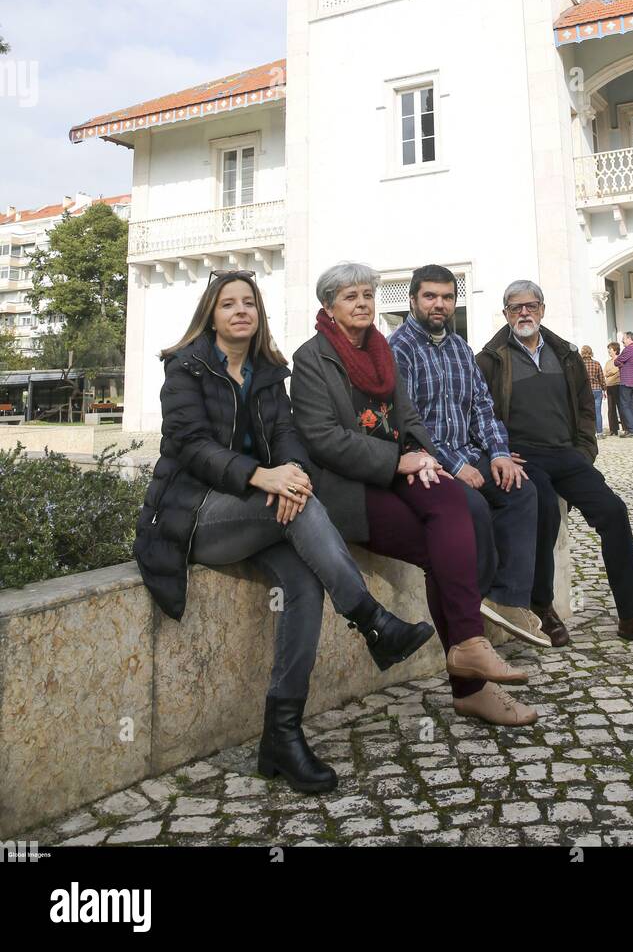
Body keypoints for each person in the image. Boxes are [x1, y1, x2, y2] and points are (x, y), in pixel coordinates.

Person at [133, 270, 436, 795]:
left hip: (260, 509)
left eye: (248, 303)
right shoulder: (185, 369)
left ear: (259, 312)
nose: (240, 311)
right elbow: (190, 446)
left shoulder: (269, 371)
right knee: (305, 501)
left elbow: (287, 435)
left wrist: (290, 470)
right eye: (228, 304)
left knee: (302, 583)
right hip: (195, 517)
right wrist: (260, 475)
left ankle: (282, 736)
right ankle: (371, 621)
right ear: (212, 314)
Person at [289, 263, 537, 728]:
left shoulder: (382, 349)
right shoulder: (312, 358)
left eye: (367, 294)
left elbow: (409, 415)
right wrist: (396, 461)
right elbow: (323, 438)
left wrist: (422, 454)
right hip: (352, 485)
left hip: (401, 466)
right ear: (328, 307)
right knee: (440, 550)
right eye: (350, 297)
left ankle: (468, 649)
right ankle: (471, 684)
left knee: (452, 501)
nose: (362, 303)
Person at [476, 281, 633, 650]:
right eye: (516, 307)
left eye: (532, 305)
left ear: (542, 309)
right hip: (522, 456)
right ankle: (541, 606)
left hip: (567, 455)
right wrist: (497, 453)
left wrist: (584, 451)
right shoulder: (490, 359)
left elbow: (587, 408)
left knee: (613, 511)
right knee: (544, 511)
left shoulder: (565, 353)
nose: (525, 313)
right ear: (505, 313)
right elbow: (480, 412)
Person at [389, 265, 551, 651]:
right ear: (413, 300)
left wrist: (498, 454)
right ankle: (467, 619)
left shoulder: (461, 348)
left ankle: (509, 600)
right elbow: (407, 421)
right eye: (430, 296)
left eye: (447, 297)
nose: (439, 304)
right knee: (473, 506)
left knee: (521, 489)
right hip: (427, 460)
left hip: (469, 452)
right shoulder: (399, 350)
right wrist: (454, 465)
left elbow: (482, 406)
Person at [616, 331, 633, 436]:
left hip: (626, 382)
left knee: (625, 406)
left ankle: (632, 430)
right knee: (631, 405)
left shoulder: (629, 349)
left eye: (624, 339)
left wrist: (620, 363)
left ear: (629, 338)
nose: (622, 341)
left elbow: (616, 361)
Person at [580, 344, 606, 436]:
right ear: (591, 353)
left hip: (585, 391)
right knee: (597, 412)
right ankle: (599, 432)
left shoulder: (580, 364)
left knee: (586, 412)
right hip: (597, 390)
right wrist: (604, 389)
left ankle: (589, 432)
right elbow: (601, 378)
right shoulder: (596, 363)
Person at [603, 342, 621, 436]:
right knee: (611, 408)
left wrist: (610, 372)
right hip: (609, 386)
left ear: (615, 350)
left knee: (620, 407)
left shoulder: (619, 359)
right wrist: (610, 372)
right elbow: (605, 373)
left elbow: (617, 370)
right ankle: (613, 429)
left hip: (617, 385)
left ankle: (625, 427)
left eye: (610, 349)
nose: (609, 351)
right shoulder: (608, 362)